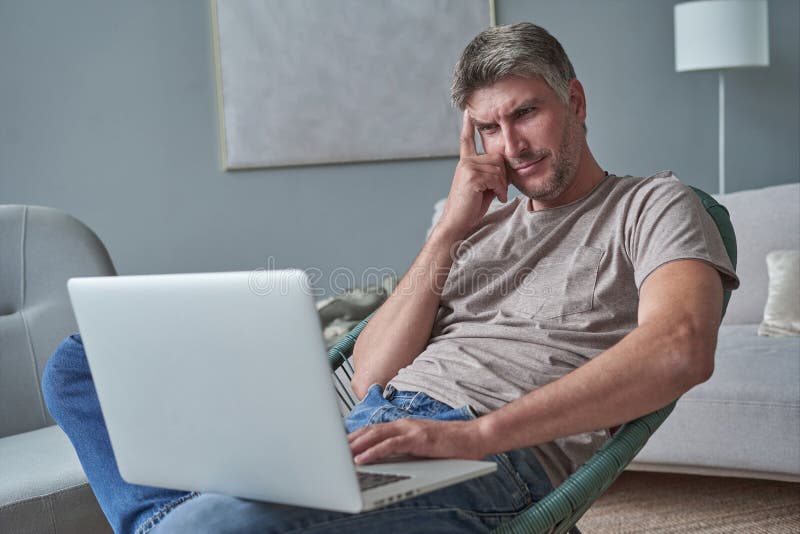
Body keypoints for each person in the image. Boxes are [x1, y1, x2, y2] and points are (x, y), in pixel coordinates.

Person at [42, 22, 738, 534]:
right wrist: (447, 230)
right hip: (369, 425)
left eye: (525, 112)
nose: (511, 146)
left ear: (575, 101)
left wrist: (476, 436)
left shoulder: (653, 205)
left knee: (210, 528)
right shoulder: (474, 228)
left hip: (492, 456)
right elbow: (371, 374)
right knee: (77, 366)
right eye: (487, 128)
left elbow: (679, 347)